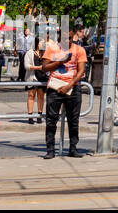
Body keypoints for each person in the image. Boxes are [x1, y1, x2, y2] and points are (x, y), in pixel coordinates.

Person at [41, 24, 87, 158]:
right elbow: (44, 67)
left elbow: (81, 71)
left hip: (73, 88)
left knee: (73, 120)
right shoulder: (52, 48)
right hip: (55, 88)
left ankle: (73, 148)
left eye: (70, 38)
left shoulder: (79, 50)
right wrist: (60, 61)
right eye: (65, 38)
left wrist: (69, 85)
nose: (68, 40)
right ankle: (50, 150)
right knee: (51, 120)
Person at [23, 35, 45, 125]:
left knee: (41, 96)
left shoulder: (45, 53)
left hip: (42, 77)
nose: (43, 44)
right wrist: (38, 67)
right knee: (31, 95)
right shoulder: (30, 53)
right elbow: (26, 66)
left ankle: (39, 115)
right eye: (41, 42)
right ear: (36, 43)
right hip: (32, 77)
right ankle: (30, 116)